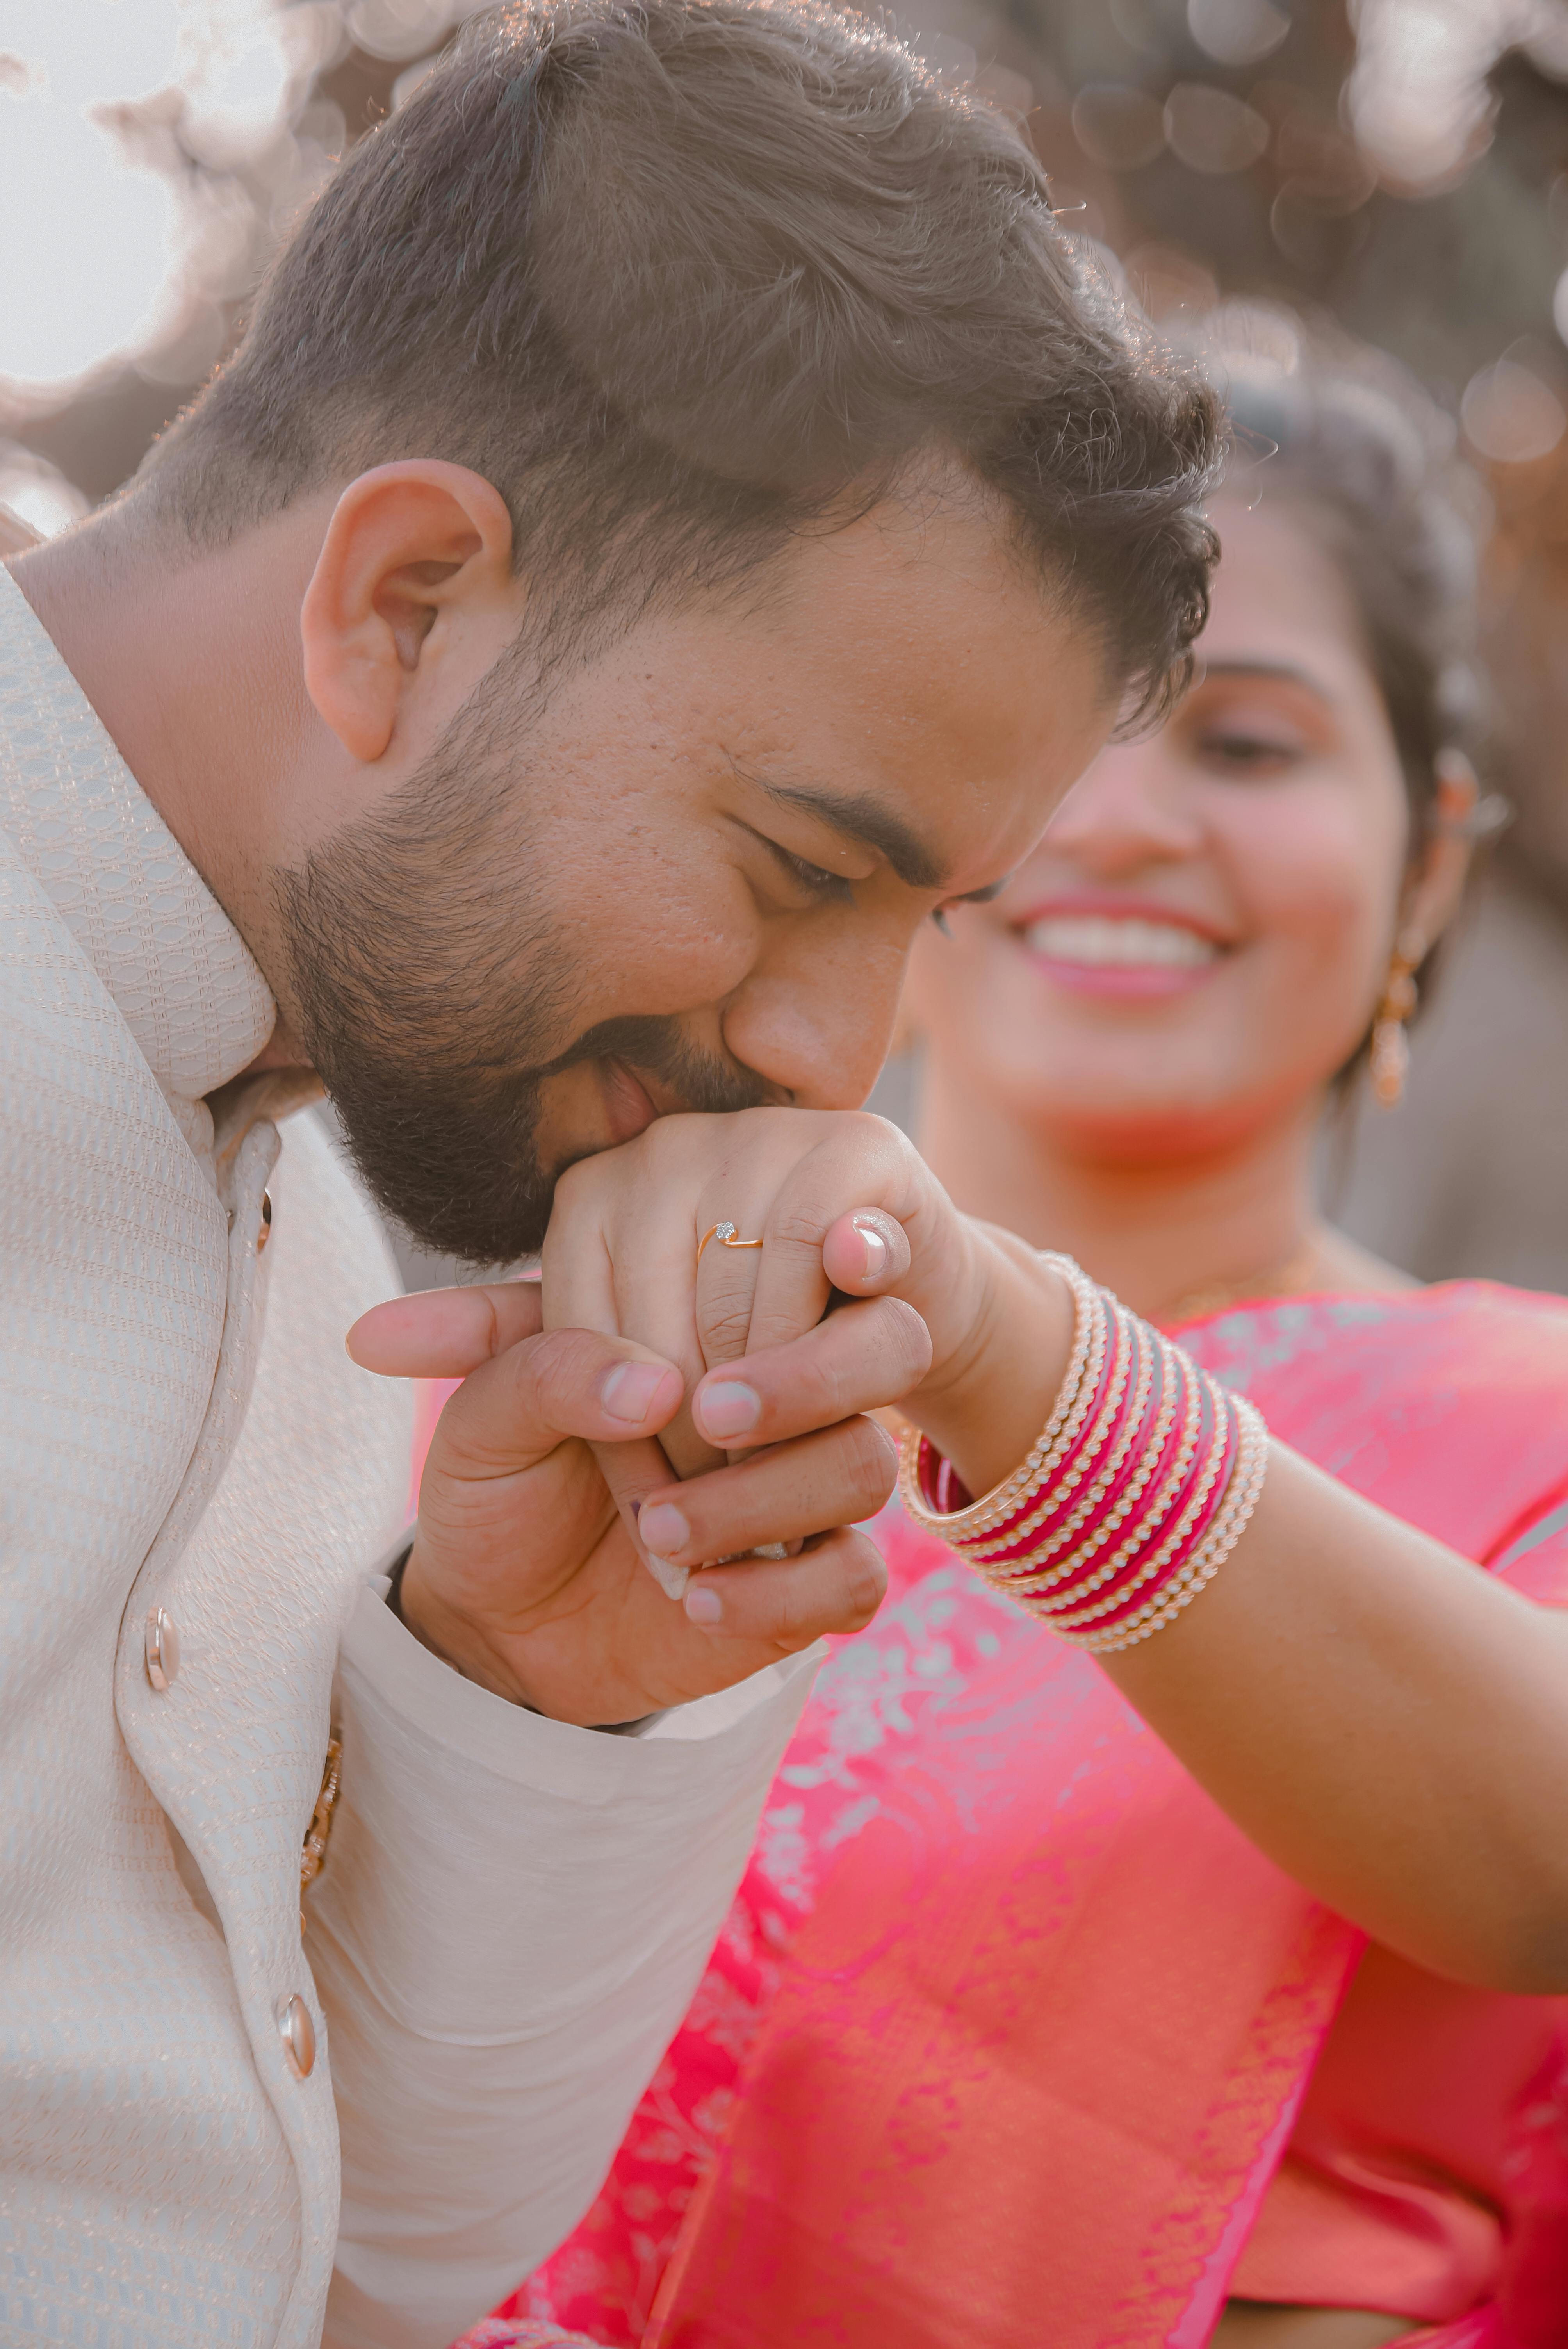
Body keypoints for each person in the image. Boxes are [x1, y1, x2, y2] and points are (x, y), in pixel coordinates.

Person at [0, 3, 1222, 2343]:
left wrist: (536, 1709)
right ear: (405, 606)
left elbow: (362, 2263)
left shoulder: (362, 1247)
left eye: (922, 921)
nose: (829, 1053)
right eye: (797, 866)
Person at [464, 340, 1568, 2349]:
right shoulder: (590, 1355)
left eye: (1242, 745)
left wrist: (1000, 1361)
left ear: (1426, 861)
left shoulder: (1525, 1419)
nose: (1121, 824)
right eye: (1041, 750)